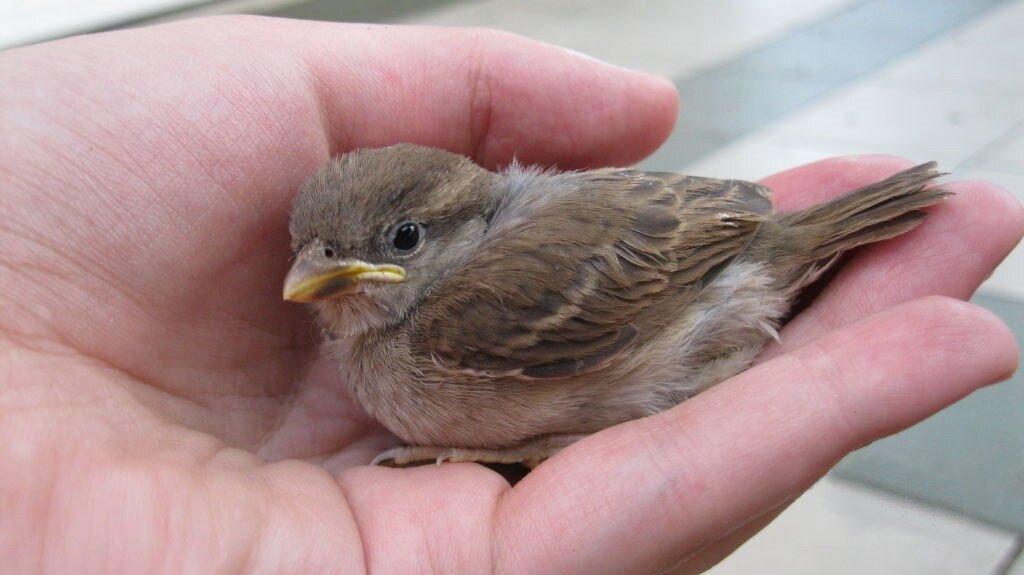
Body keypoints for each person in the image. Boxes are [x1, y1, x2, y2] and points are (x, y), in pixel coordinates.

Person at [0, 15, 1020, 574]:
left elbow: (687, 261)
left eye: (396, 243)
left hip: (713, 279)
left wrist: (510, 442)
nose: (318, 276)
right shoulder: (370, 327)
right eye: (315, 252)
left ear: (456, 224)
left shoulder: (458, 318)